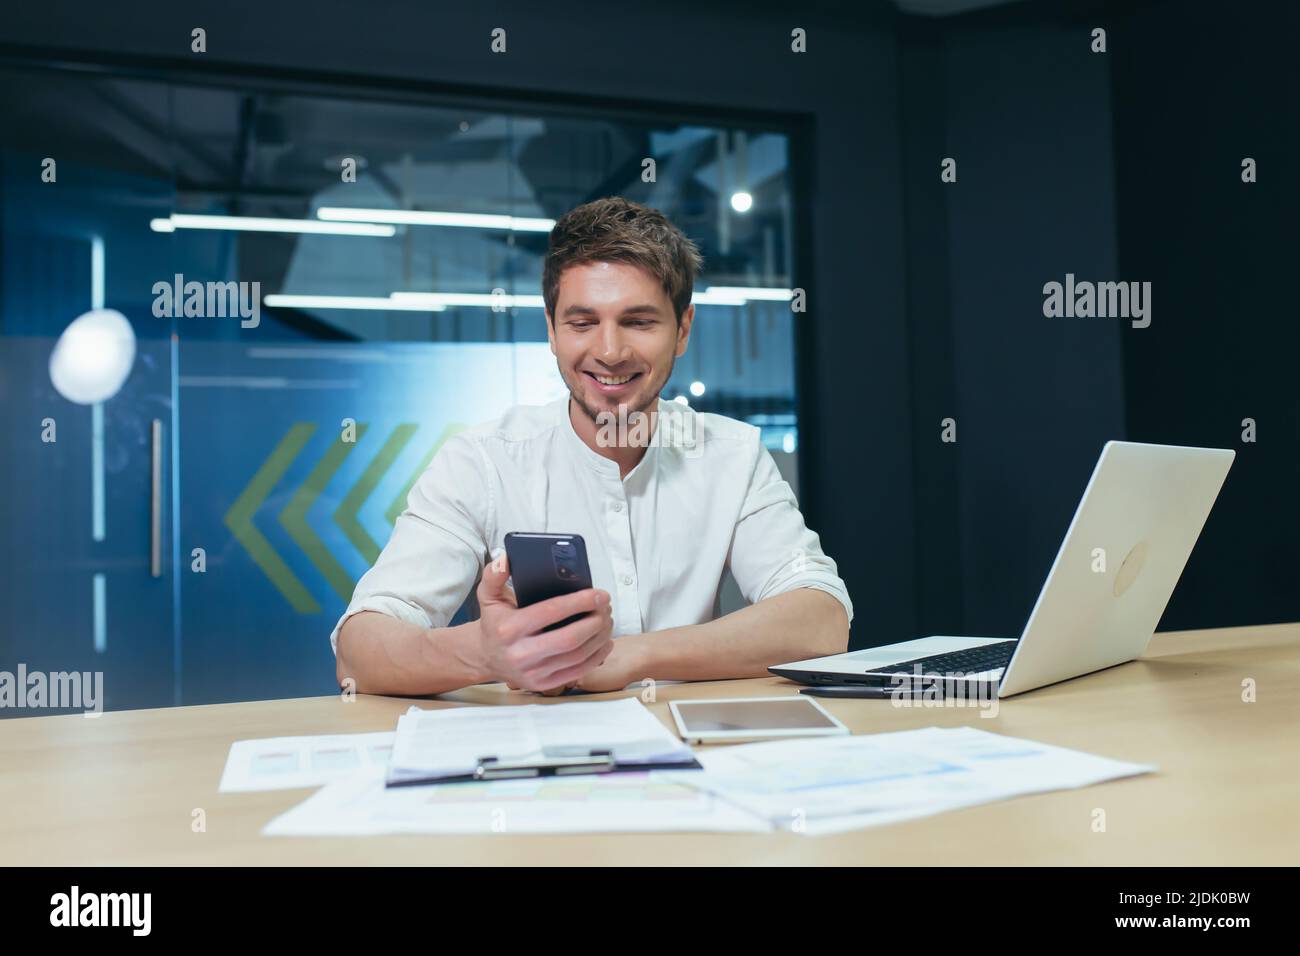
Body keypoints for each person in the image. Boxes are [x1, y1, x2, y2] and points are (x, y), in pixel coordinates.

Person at [333, 196, 851, 695]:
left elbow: (820, 620)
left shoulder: (731, 454)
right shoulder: (483, 461)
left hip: (689, 756)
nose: (609, 351)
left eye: (639, 321)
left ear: (683, 328)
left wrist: (629, 656)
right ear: (552, 332)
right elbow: (360, 650)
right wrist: (483, 654)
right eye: (582, 323)